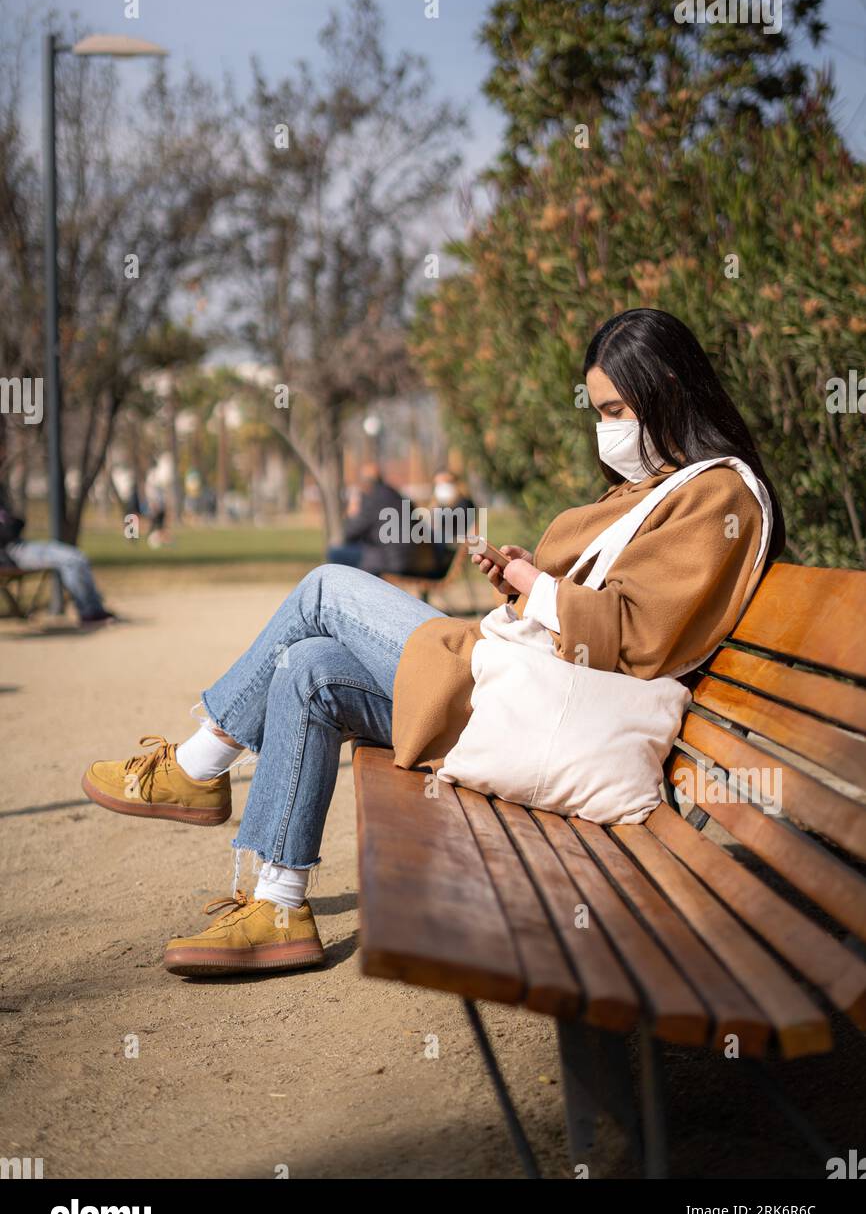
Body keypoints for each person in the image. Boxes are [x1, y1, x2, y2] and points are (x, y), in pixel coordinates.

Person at [81, 308, 785, 978]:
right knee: (306, 667)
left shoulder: (721, 496)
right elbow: (603, 613)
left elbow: (638, 639)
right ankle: (279, 906)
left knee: (327, 587)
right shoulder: (664, 487)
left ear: (664, 388)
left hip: (542, 714)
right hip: (521, 701)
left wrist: (533, 582)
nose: (605, 431)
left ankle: (201, 765)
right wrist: (525, 584)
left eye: (613, 412)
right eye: (599, 412)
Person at [0, 481, 116, 627]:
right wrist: (11, 526)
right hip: (11, 553)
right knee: (72, 560)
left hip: (19, 545)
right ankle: (89, 612)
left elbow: (14, 524)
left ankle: (95, 609)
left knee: (77, 556)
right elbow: (8, 530)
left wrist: (12, 525)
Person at [326, 462, 412, 575]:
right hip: (408, 557)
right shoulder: (395, 495)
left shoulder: (373, 499)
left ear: (365, 483)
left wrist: (352, 512)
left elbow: (350, 533)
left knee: (335, 553)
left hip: (388, 560)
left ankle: (352, 590)